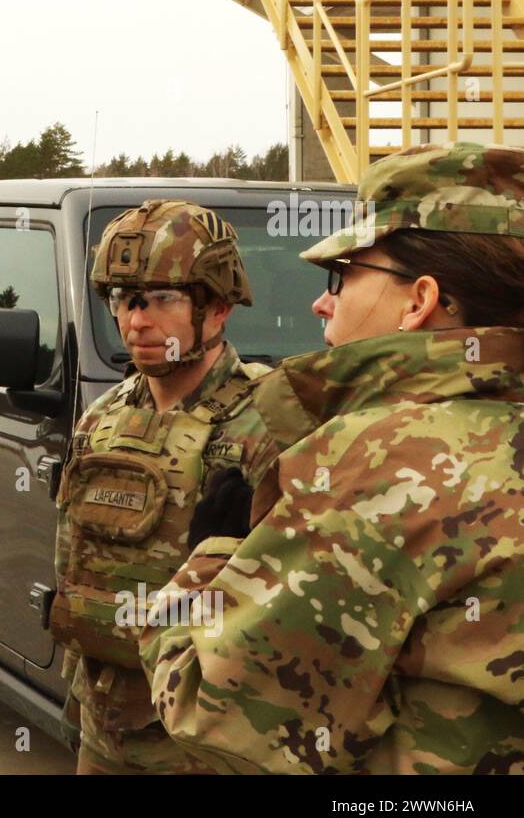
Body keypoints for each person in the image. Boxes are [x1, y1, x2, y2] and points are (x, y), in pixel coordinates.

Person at [141, 142, 524, 774]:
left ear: (418, 300)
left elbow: (216, 710)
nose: (323, 302)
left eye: (342, 276)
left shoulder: (384, 461)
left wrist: (212, 559)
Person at [53, 199, 274, 774]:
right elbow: (71, 563)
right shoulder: (102, 418)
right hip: (106, 734)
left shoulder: (273, 421)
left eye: (163, 300)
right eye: (125, 301)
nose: (136, 321)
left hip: (208, 744)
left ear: (218, 307)